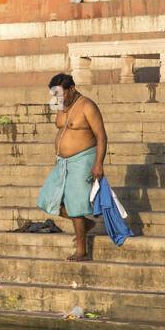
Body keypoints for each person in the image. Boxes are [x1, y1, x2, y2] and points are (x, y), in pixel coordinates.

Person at [36, 74, 108, 262]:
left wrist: (98, 164)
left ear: (72, 89)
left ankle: (82, 251)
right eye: (54, 95)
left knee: (75, 206)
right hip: (62, 162)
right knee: (47, 199)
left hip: (83, 160)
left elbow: (101, 136)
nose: (58, 99)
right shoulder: (61, 105)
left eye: (60, 94)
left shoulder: (87, 106)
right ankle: (85, 224)